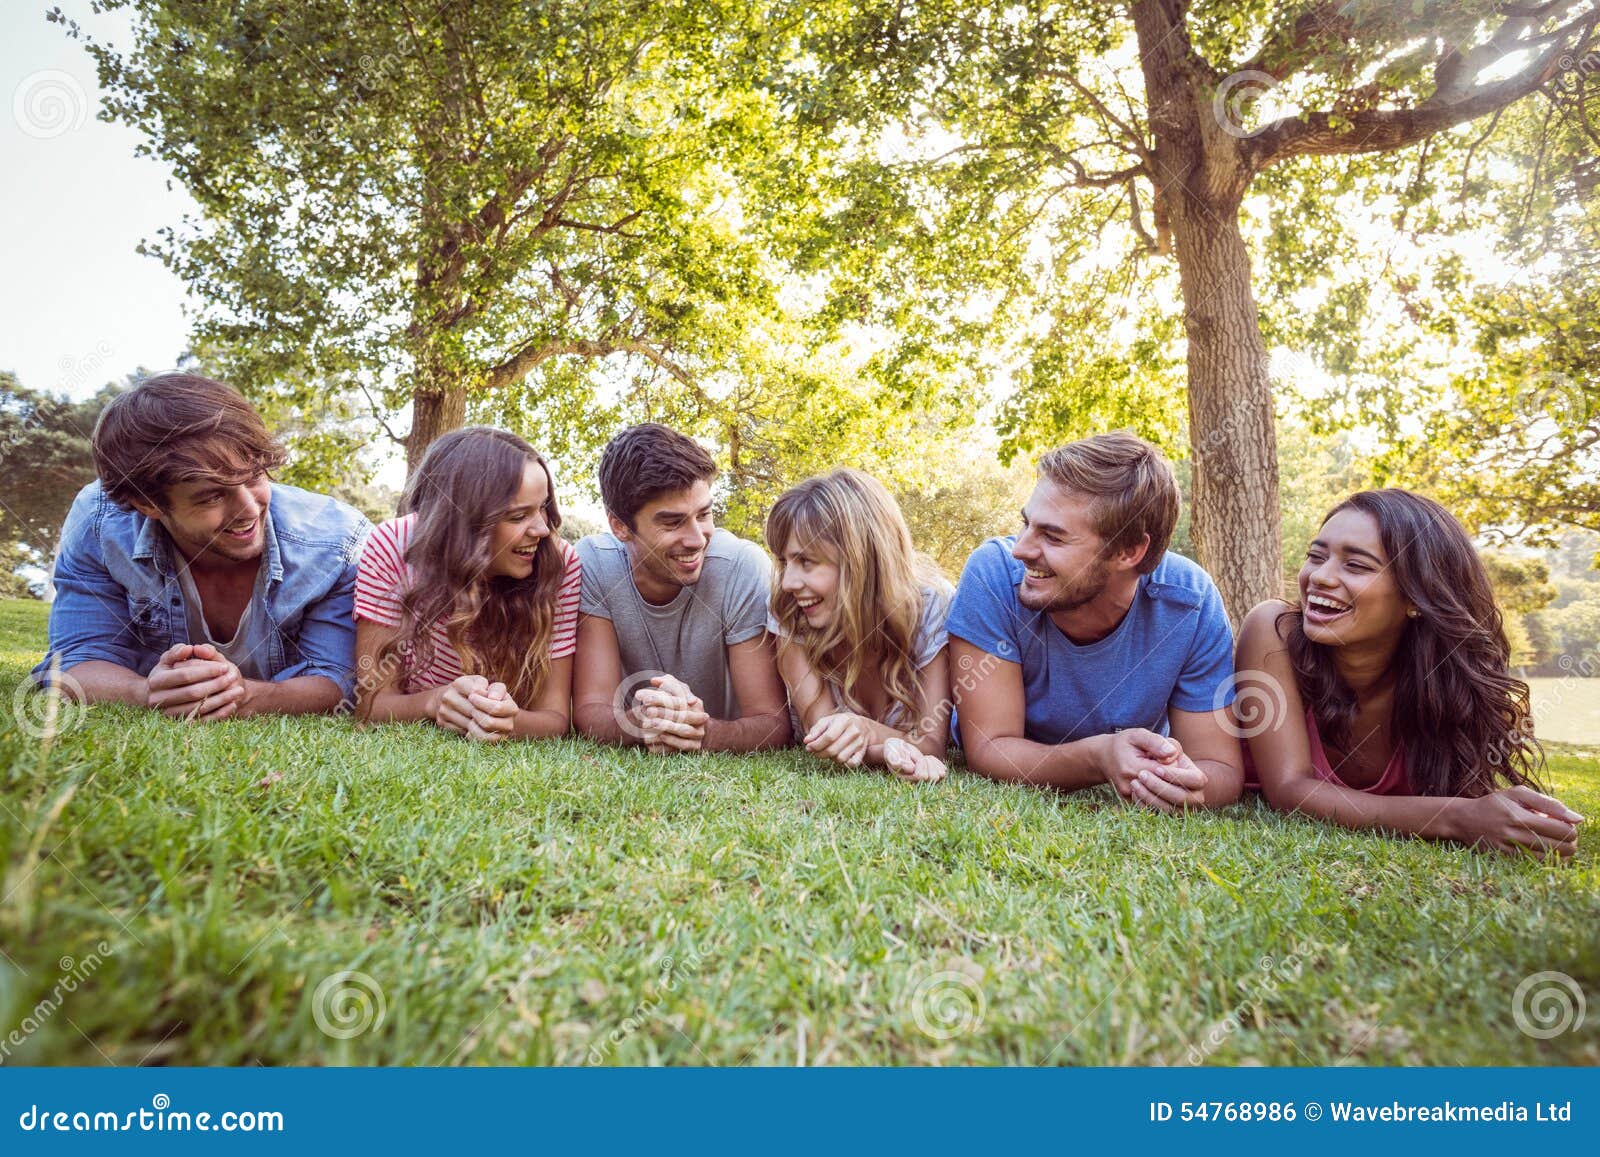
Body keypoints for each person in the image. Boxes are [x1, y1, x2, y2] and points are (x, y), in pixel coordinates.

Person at [1234, 488, 1583, 857]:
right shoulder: (1273, 630)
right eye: (1316, 556)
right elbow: (1289, 789)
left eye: (1356, 566)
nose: (1320, 576)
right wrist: (1459, 819)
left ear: (1416, 597)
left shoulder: (1447, 688)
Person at [32, 372, 370, 719]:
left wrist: (245, 696)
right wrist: (145, 691)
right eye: (212, 496)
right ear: (147, 503)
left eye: (254, 476)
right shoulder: (101, 524)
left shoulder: (338, 543)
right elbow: (78, 656)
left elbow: (335, 677)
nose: (249, 510)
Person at [947, 431, 1242, 811]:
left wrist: (1180, 786)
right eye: (1026, 524)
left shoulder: (1189, 602)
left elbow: (1218, 767)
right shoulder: (994, 575)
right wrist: (1100, 756)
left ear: (1129, 551)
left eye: (1053, 537)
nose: (1021, 549)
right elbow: (991, 748)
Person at [572, 423, 788, 753]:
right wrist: (644, 721)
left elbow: (771, 722)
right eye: (672, 522)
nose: (697, 539)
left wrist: (704, 732)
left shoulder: (741, 566)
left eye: (704, 514)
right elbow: (590, 711)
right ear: (619, 525)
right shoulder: (595, 564)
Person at [353, 427, 579, 741]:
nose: (542, 529)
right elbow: (370, 705)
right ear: (463, 522)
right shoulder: (393, 547)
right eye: (518, 516)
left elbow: (554, 719)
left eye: (543, 507)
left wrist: (509, 721)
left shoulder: (558, 564)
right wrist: (433, 702)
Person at [766, 469, 952, 782]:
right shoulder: (789, 610)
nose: (788, 582)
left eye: (807, 562)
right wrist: (887, 747)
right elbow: (825, 736)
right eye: (785, 562)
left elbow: (931, 743)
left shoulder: (932, 604)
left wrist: (866, 731)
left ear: (862, 560)